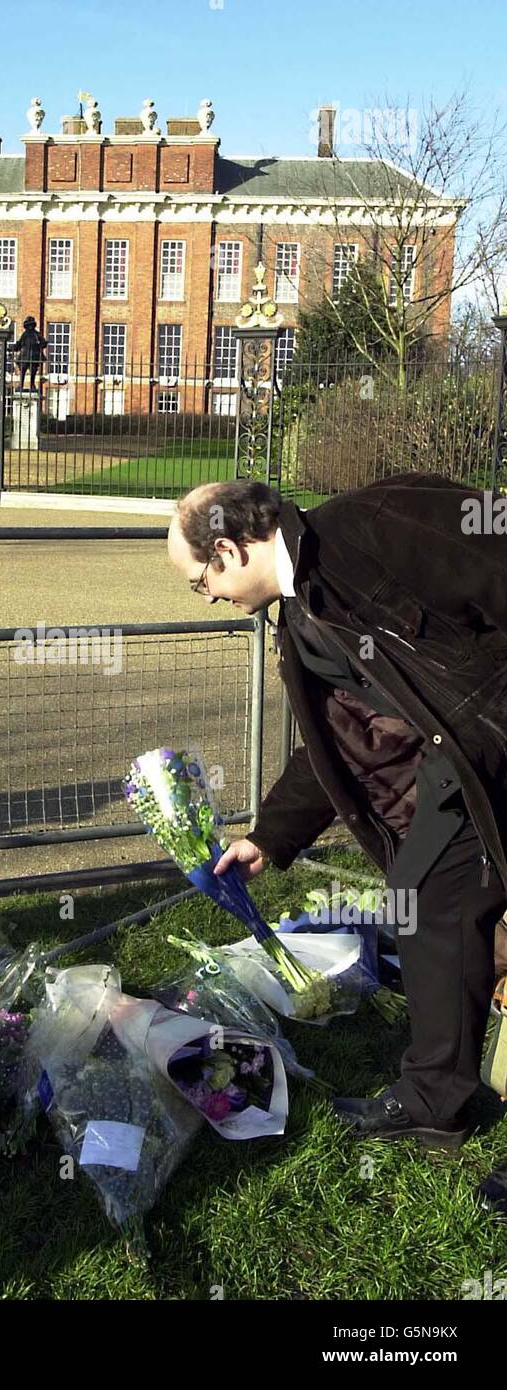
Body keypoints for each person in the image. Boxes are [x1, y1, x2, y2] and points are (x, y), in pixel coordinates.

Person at [167, 473, 507, 1216]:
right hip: (467, 768)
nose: (208, 598)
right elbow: (340, 746)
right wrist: (268, 839)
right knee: (423, 902)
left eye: (200, 582)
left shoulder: (376, 524)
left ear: (226, 550)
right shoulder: (301, 618)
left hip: (495, 738)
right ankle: (432, 1098)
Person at [10, 317, 47, 391]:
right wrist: (13, 348)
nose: (30, 327)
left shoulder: (37, 334)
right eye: (28, 325)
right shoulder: (25, 334)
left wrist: (40, 345)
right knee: (23, 371)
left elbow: (43, 343)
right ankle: (21, 385)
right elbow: (20, 343)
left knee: (33, 372)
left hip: (34, 356)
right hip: (25, 356)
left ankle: (32, 385)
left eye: (31, 325)